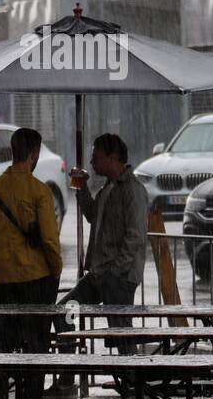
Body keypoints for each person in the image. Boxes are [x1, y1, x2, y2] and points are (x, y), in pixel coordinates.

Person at [0, 126, 63, 399]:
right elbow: (50, 241)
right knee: (36, 345)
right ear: (34, 154)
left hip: (4, 283)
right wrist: (55, 271)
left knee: (2, 344)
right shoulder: (39, 191)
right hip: (37, 281)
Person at [61, 132, 149, 353]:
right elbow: (93, 215)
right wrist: (81, 187)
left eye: (96, 157)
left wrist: (116, 272)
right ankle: (67, 368)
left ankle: (131, 373)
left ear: (112, 158)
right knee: (65, 312)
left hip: (119, 276)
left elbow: (135, 236)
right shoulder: (107, 188)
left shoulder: (132, 189)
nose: (92, 162)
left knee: (121, 333)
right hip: (100, 273)